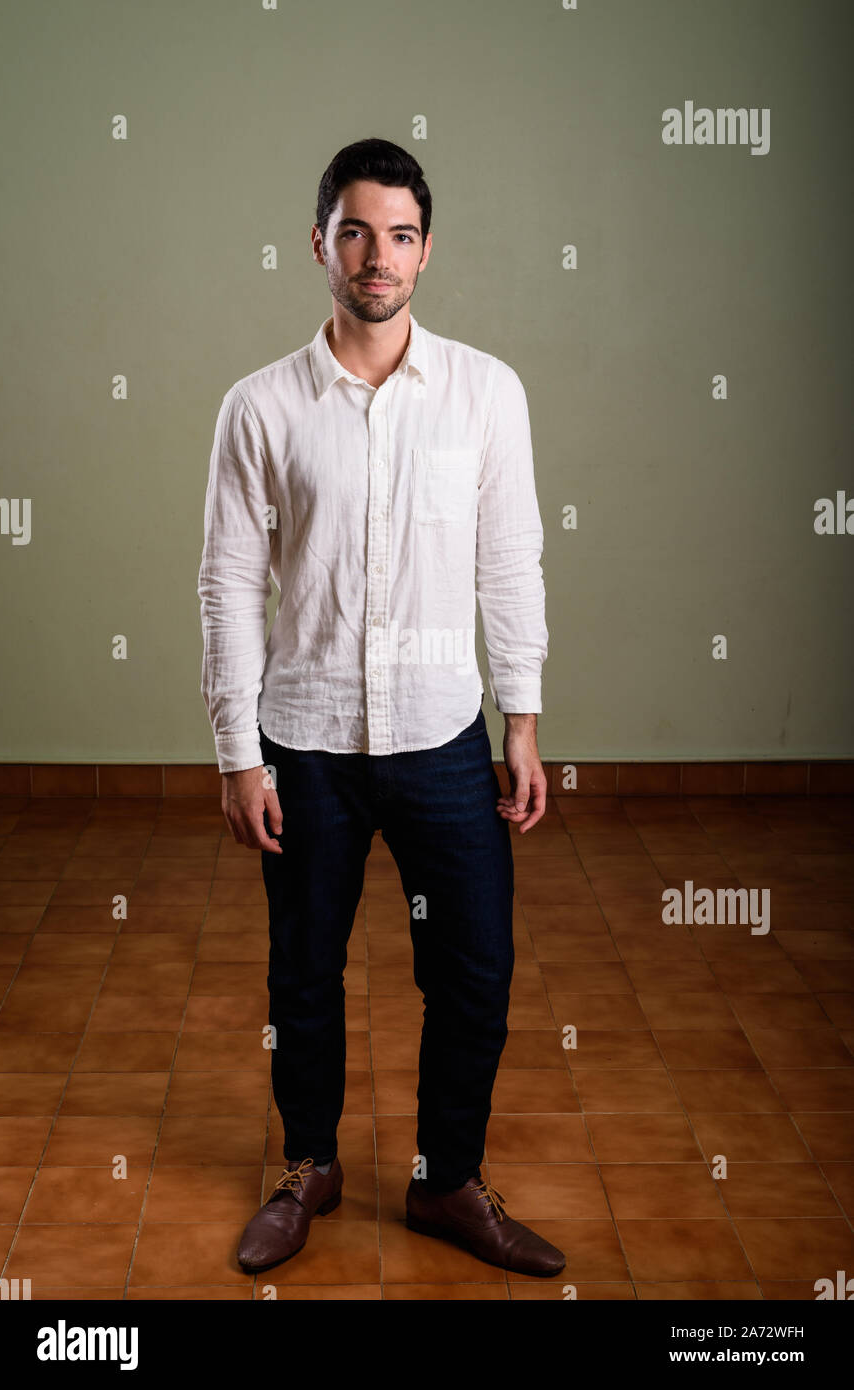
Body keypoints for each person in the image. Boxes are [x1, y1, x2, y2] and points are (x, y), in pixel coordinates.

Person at [197, 137, 565, 1279]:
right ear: (320, 244)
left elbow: (511, 559)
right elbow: (225, 582)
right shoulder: (260, 407)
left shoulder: (484, 393)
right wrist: (237, 752)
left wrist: (524, 719)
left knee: (475, 966)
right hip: (303, 740)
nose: (377, 255)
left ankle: (446, 1179)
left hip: (444, 735)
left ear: (425, 249)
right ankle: (309, 1165)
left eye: (399, 234)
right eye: (355, 231)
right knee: (302, 968)